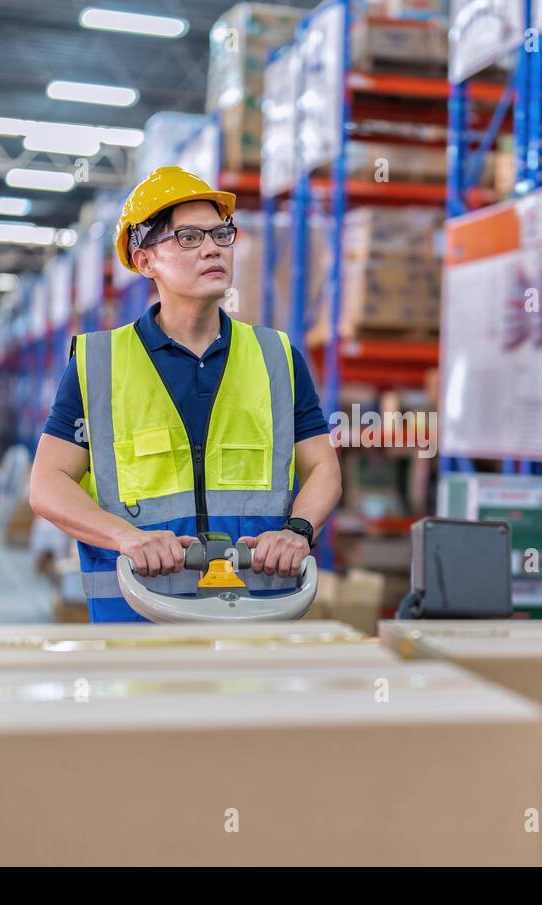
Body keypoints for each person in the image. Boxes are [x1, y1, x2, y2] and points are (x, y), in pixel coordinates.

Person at [30, 167, 341, 622]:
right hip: (137, 624)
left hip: (256, 619)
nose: (214, 247)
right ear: (144, 260)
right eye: (189, 237)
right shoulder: (98, 364)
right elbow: (47, 485)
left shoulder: (277, 356)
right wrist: (127, 537)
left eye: (221, 233)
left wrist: (298, 530)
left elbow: (323, 468)